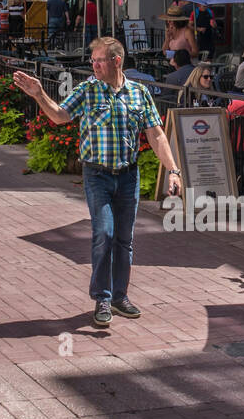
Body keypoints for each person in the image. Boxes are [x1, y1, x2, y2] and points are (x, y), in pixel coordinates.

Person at [13, 36, 182, 328]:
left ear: (117, 61)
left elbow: (156, 134)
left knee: (124, 240)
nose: (94, 64)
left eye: (99, 59)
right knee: (103, 234)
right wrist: (39, 94)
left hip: (128, 175)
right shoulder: (88, 90)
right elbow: (60, 116)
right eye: (93, 60)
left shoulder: (139, 93)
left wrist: (174, 170)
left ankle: (120, 297)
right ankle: (102, 298)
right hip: (97, 175)